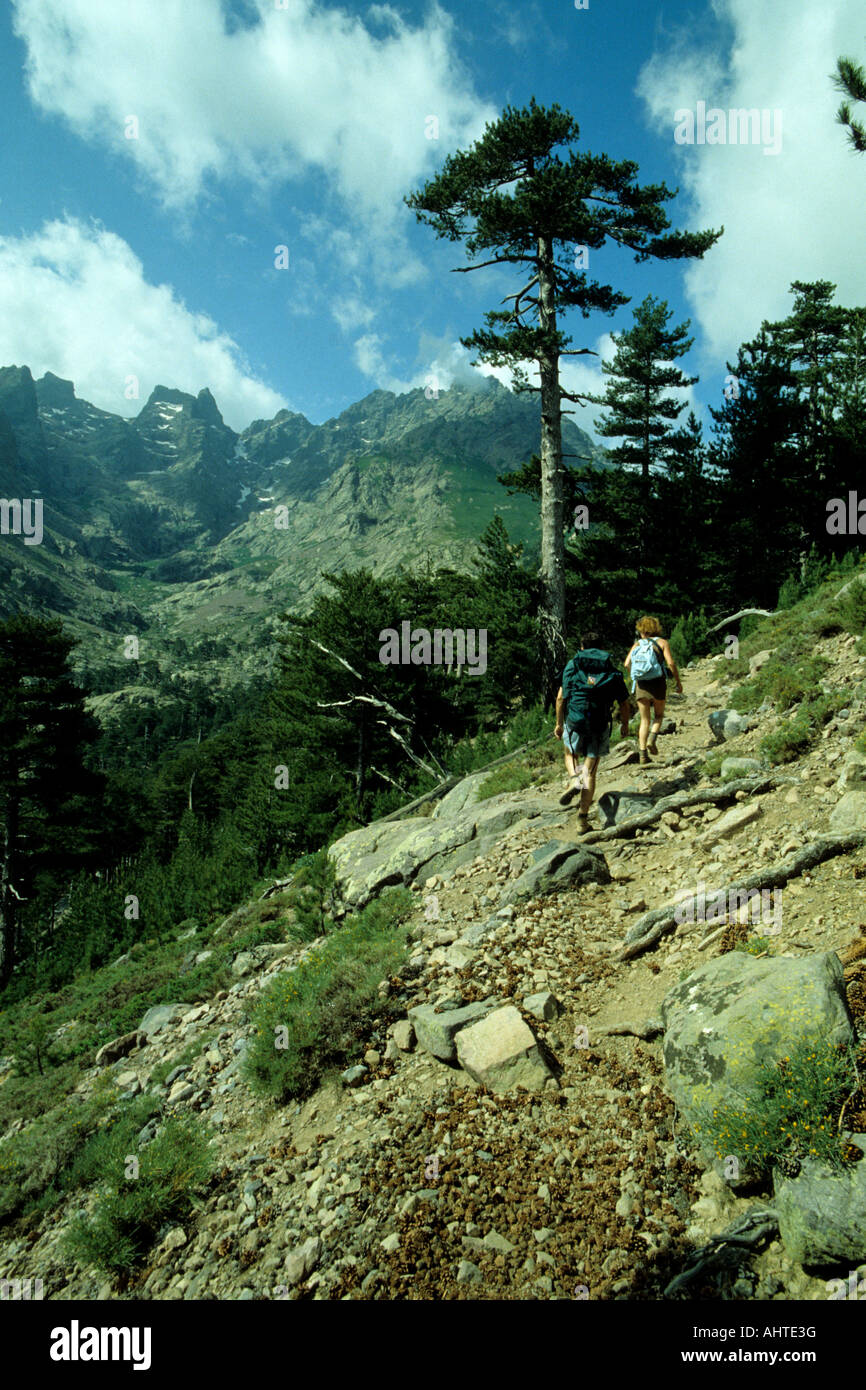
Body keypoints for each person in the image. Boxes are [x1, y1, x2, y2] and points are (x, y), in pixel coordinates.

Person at [554, 632, 631, 835]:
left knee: (570, 753)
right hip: (599, 722)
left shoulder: (573, 665)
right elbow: (624, 702)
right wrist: (625, 724)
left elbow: (561, 697)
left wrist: (559, 723)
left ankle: (573, 778)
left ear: (582, 647)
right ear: (599, 647)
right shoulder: (609, 669)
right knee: (591, 769)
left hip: (575, 719)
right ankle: (582, 819)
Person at [623, 616, 683, 766]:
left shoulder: (637, 645)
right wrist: (677, 681)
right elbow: (670, 662)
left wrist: (636, 675)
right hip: (658, 683)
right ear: (656, 628)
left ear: (641, 630)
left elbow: (626, 664)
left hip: (641, 685)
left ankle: (643, 755)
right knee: (659, 715)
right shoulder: (662, 642)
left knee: (644, 720)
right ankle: (652, 738)